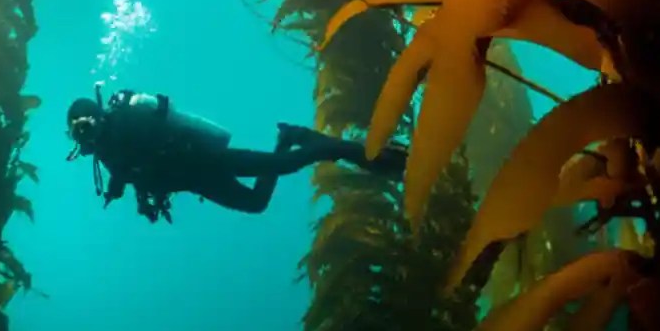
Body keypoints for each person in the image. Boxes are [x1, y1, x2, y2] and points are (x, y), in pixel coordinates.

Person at [65, 85, 408, 222]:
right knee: (256, 203)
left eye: (86, 126)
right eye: (77, 132)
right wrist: (120, 192)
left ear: (96, 117)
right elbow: (125, 171)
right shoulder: (105, 153)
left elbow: (150, 147)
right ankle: (288, 137)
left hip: (207, 161)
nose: (85, 136)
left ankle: (367, 153)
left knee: (286, 166)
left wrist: (135, 183)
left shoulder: (124, 122)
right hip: (198, 182)